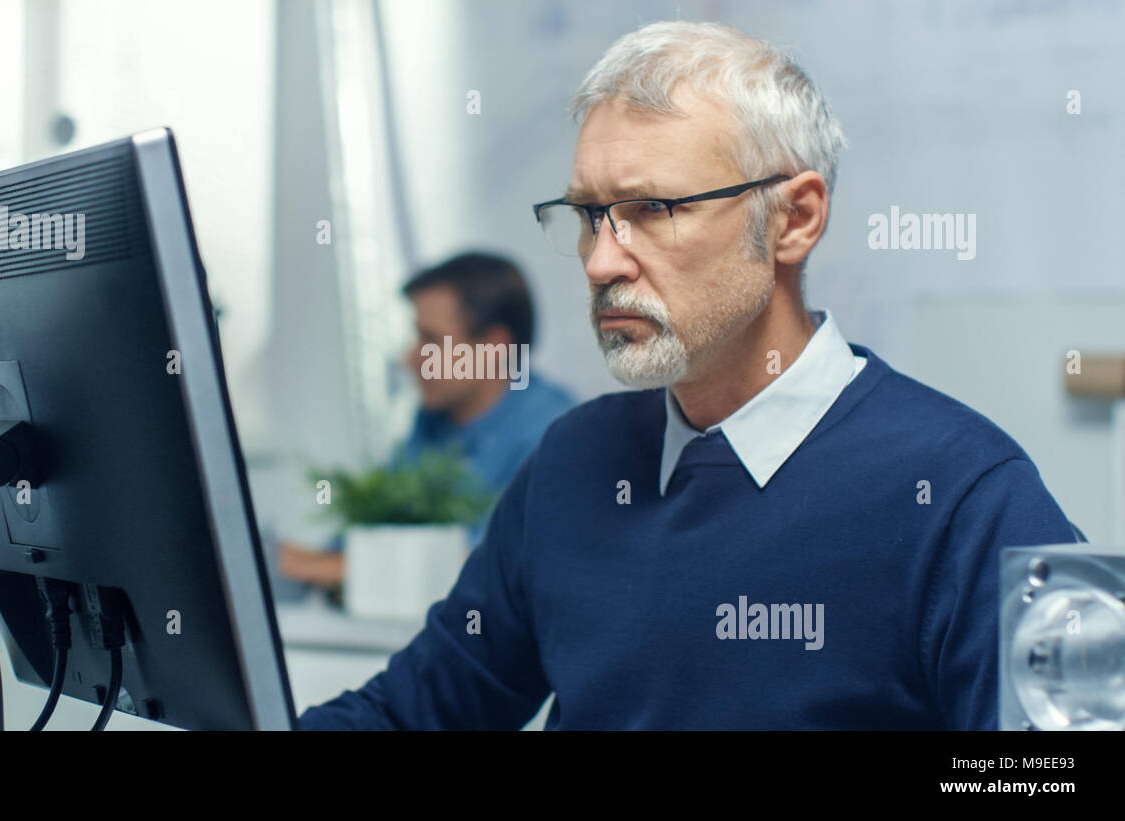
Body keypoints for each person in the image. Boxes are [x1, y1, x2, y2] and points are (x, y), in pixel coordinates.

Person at [298, 21, 1077, 730]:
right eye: (588, 215)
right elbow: (412, 714)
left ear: (794, 219)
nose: (602, 261)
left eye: (652, 210)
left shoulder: (971, 491)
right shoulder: (572, 462)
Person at [278, 252, 576, 589]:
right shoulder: (433, 421)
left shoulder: (557, 434)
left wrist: (324, 569)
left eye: (430, 339)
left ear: (495, 347)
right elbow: (366, 537)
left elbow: (494, 569)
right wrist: (301, 561)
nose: (409, 357)